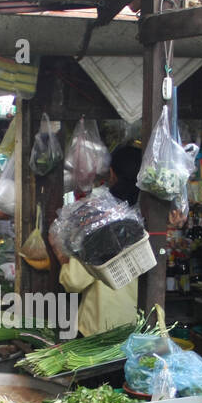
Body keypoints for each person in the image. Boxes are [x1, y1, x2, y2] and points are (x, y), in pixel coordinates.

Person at [51, 144, 141, 337]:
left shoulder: (99, 220)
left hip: (99, 330)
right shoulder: (144, 218)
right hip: (135, 329)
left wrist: (59, 254)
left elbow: (74, 282)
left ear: (112, 174)